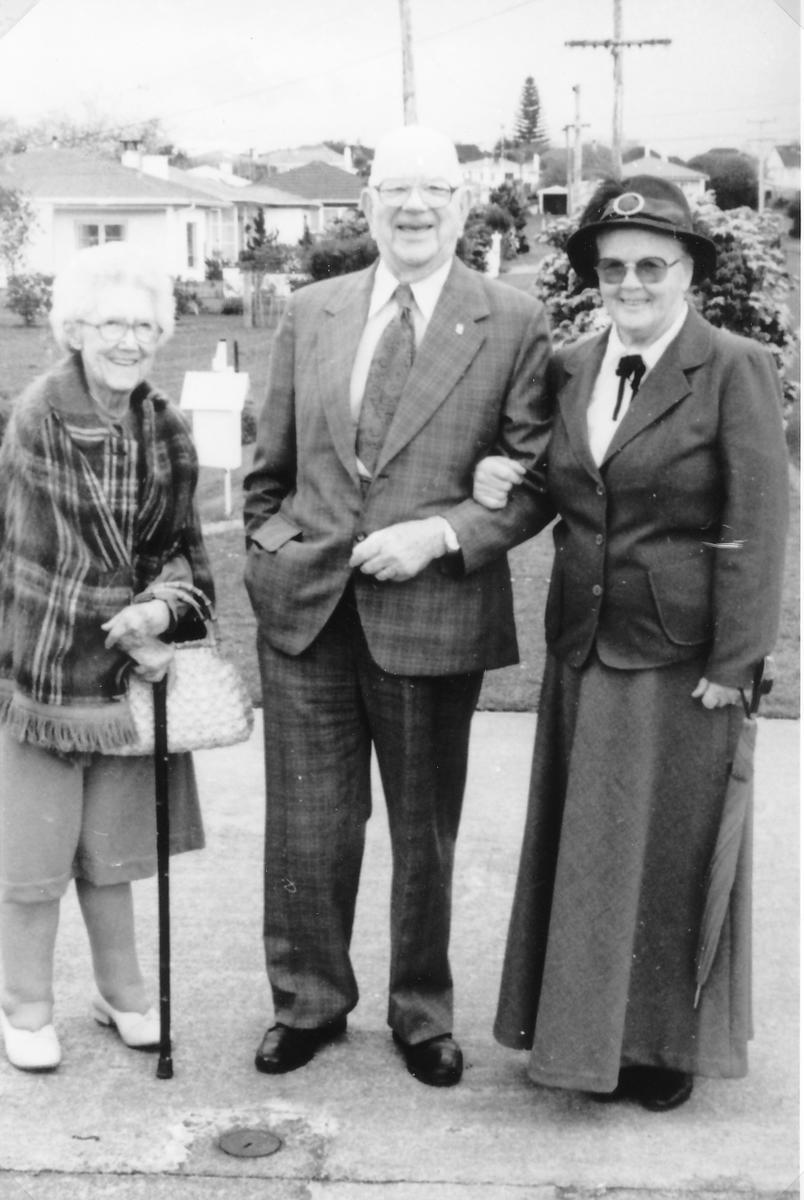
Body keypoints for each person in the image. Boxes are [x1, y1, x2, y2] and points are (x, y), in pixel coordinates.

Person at [243, 124, 552, 1087]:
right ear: (367, 205)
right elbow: (268, 471)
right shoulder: (313, 311)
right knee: (308, 827)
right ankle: (308, 1003)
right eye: (395, 190)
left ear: (463, 207)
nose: (413, 206)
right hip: (308, 617)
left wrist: (443, 534)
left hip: (433, 615)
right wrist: (272, 556)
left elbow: (537, 478)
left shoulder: (511, 319)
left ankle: (421, 1014)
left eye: (433, 190)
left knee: (425, 832)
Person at [475, 176, 788, 1110]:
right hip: (584, 644)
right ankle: (580, 1044)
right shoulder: (570, 365)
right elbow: (554, 488)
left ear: (687, 270)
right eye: (613, 268)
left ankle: (660, 1050)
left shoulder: (734, 365)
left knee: (669, 852)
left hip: (684, 657)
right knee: (591, 849)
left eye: (653, 264)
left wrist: (736, 664)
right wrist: (495, 485)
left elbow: (760, 521)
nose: (632, 283)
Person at [0, 242, 213, 1072]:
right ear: (76, 328)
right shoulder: (38, 416)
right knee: (33, 854)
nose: (129, 339)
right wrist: (137, 623)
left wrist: (163, 609)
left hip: (130, 673)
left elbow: (180, 549)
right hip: (44, 672)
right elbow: (58, 554)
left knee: (112, 849)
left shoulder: (165, 425)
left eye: (144, 324)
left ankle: (120, 993)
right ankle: (22, 1002)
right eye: (111, 322)